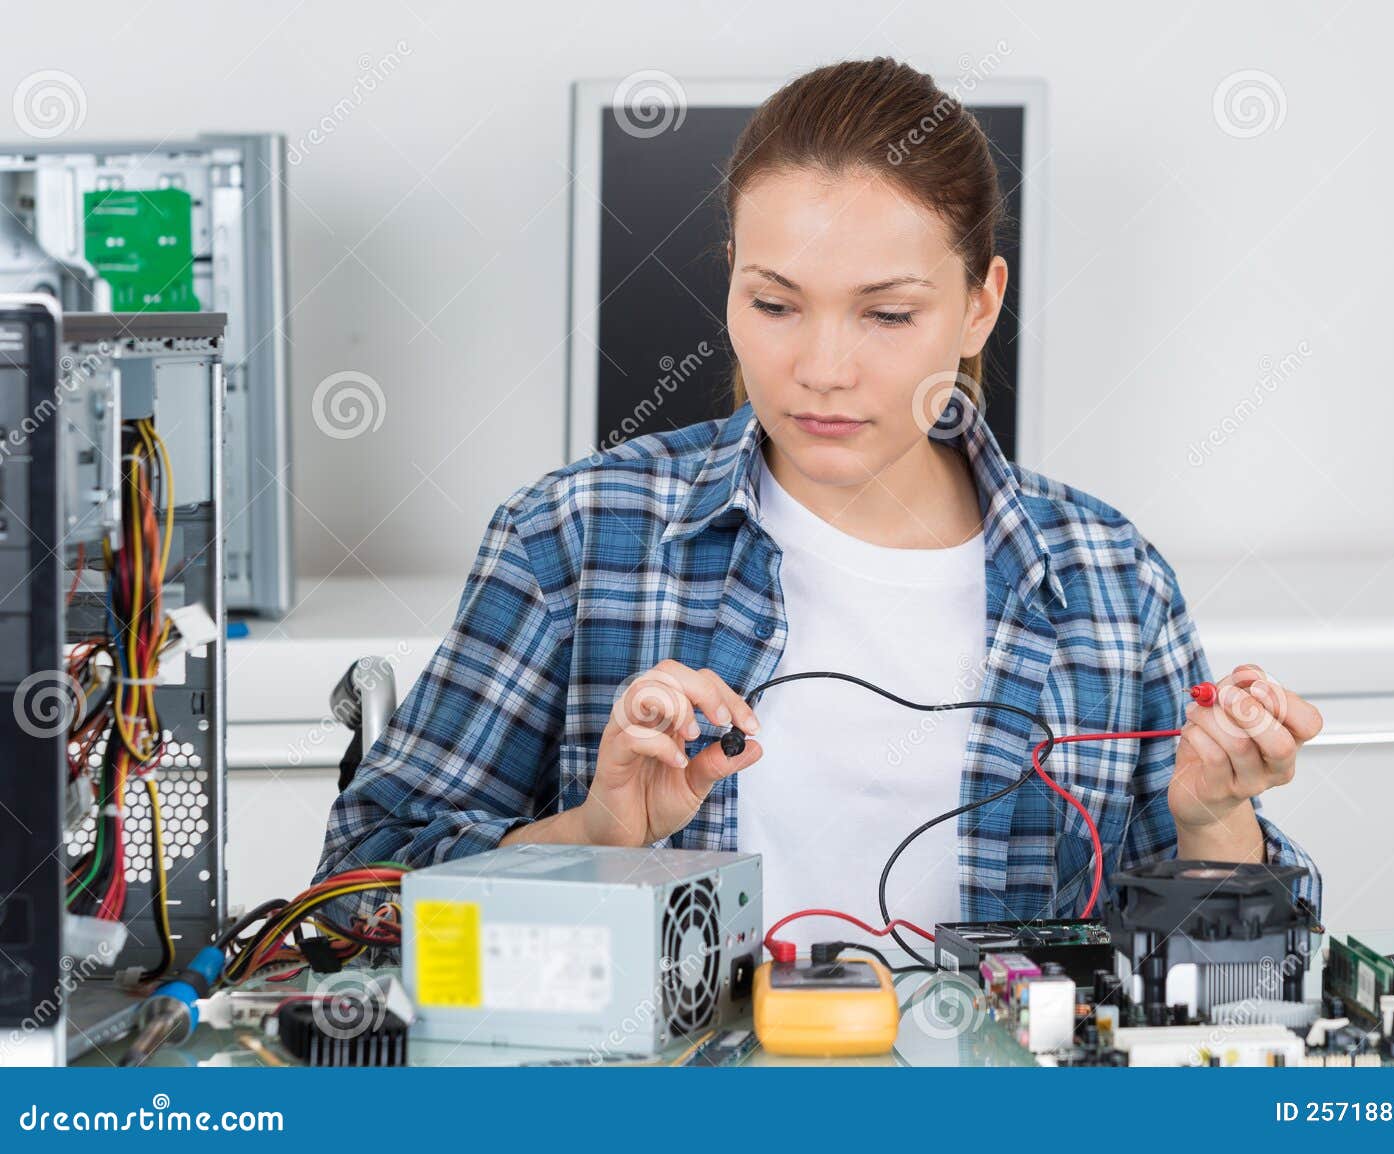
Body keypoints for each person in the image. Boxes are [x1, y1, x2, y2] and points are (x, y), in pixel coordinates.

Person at [315, 58, 1322, 940]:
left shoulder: (1109, 575)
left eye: (886, 313)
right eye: (773, 304)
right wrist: (592, 836)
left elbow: (1248, 980)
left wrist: (1213, 823)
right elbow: (344, 903)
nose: (821, 368)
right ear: (727, 286)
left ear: (981, 304)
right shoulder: (574, 538)